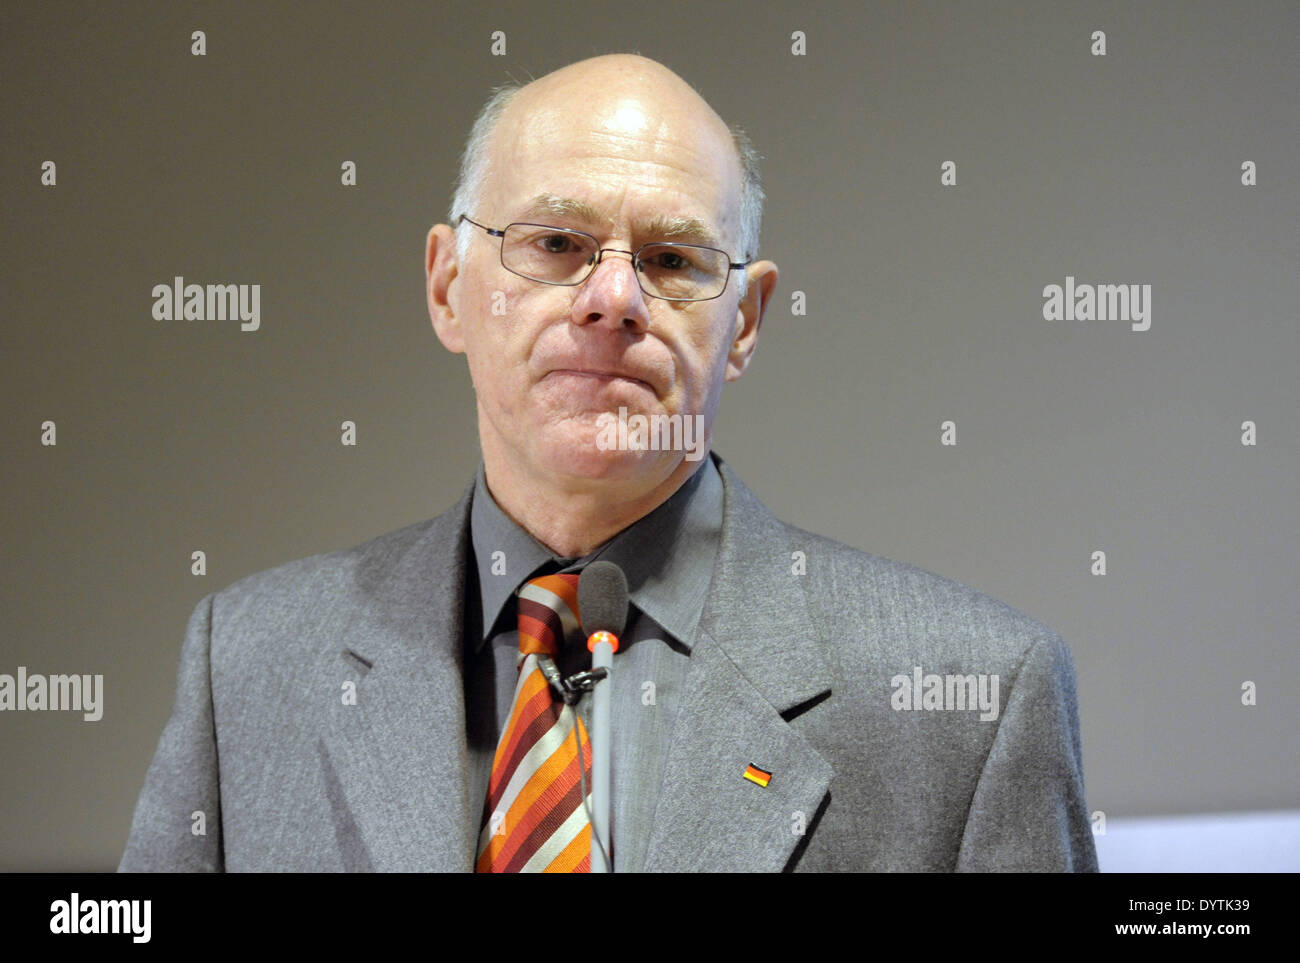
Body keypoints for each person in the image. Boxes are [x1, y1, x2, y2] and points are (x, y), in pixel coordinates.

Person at [118, 53, 1098, 872]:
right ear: (447, 287)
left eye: (674, 260)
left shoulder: (971, 695)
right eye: (555, 242)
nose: (614, 298)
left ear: (744, 321)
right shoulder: (249, 666)